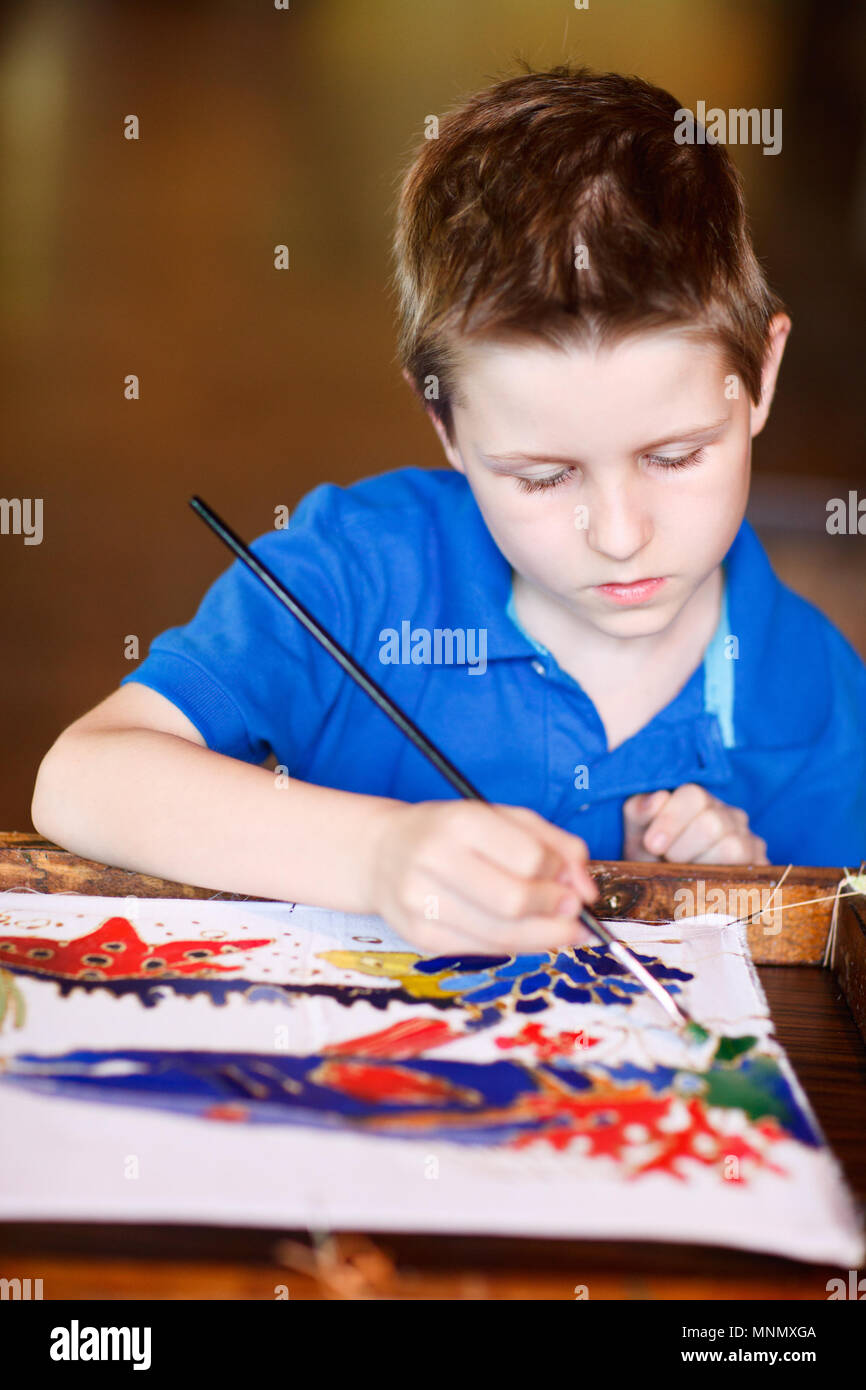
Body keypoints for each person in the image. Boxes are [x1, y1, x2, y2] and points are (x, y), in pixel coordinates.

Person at [31, 65, 866, 955]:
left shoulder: (812, 695)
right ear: (444, 419)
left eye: (675, 456)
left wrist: (735, 898)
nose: (620, 536)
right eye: (543, 476)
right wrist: (379, 855)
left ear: (762, 378)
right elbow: (80, 779)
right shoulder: (354, 575)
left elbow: (831, 959)